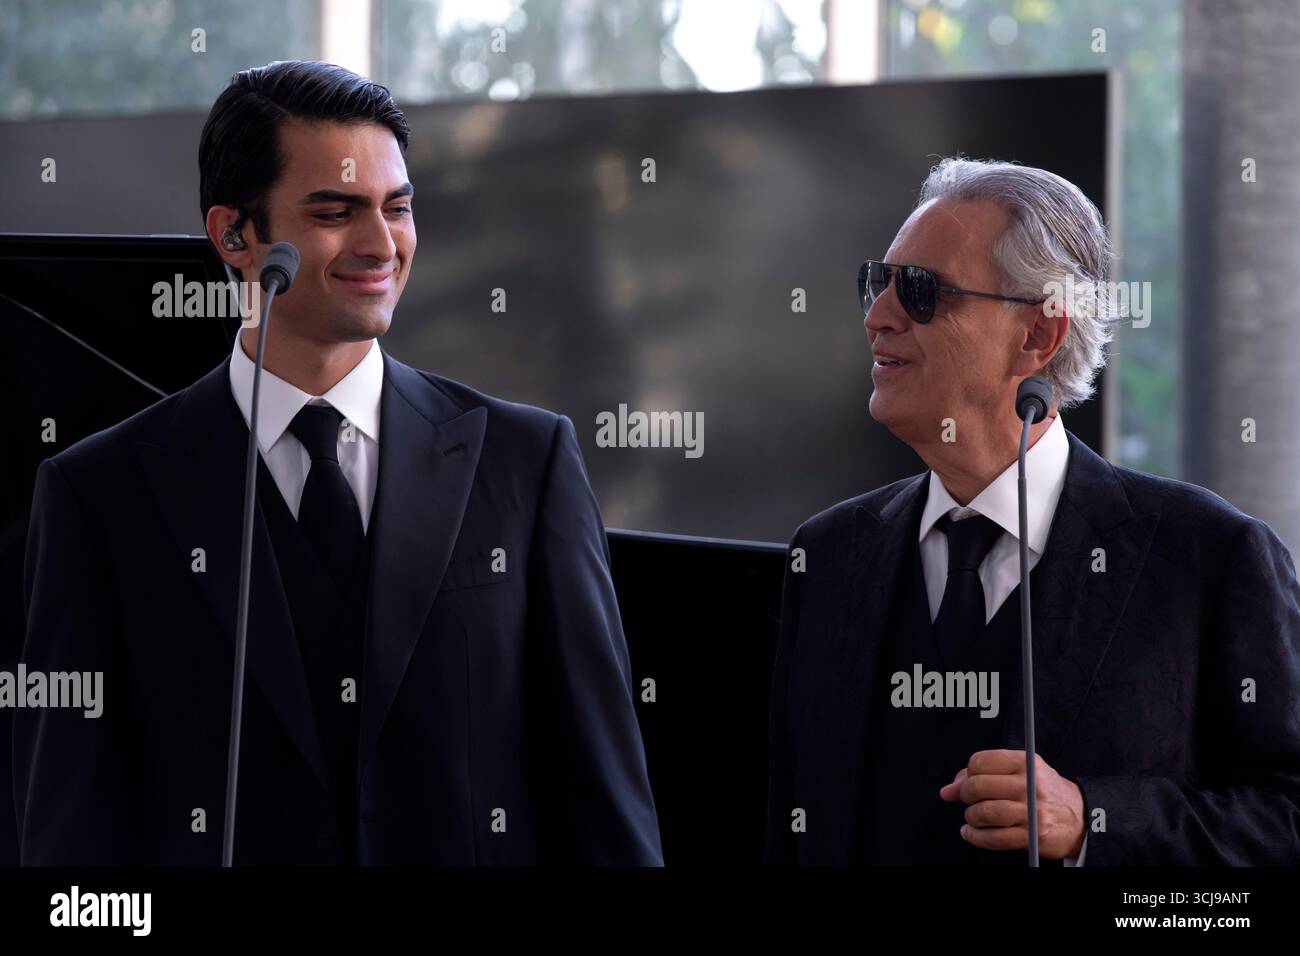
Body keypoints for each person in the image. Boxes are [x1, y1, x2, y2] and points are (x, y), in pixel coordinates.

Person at [14, 60, 662, 866]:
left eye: (397, 207)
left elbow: (602, 804)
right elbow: (71, 839)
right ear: (232, 235)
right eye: (335, 211)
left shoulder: (527, 465)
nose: (381, 243)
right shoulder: (97, 495)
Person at [765, 157, 1300, 866]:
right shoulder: (829, 555)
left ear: (1040, 336)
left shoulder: (1209, 558)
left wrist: (1096, 823)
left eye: (921, 292)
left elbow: (1286, 819)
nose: (877, 316)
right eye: (878, 282)